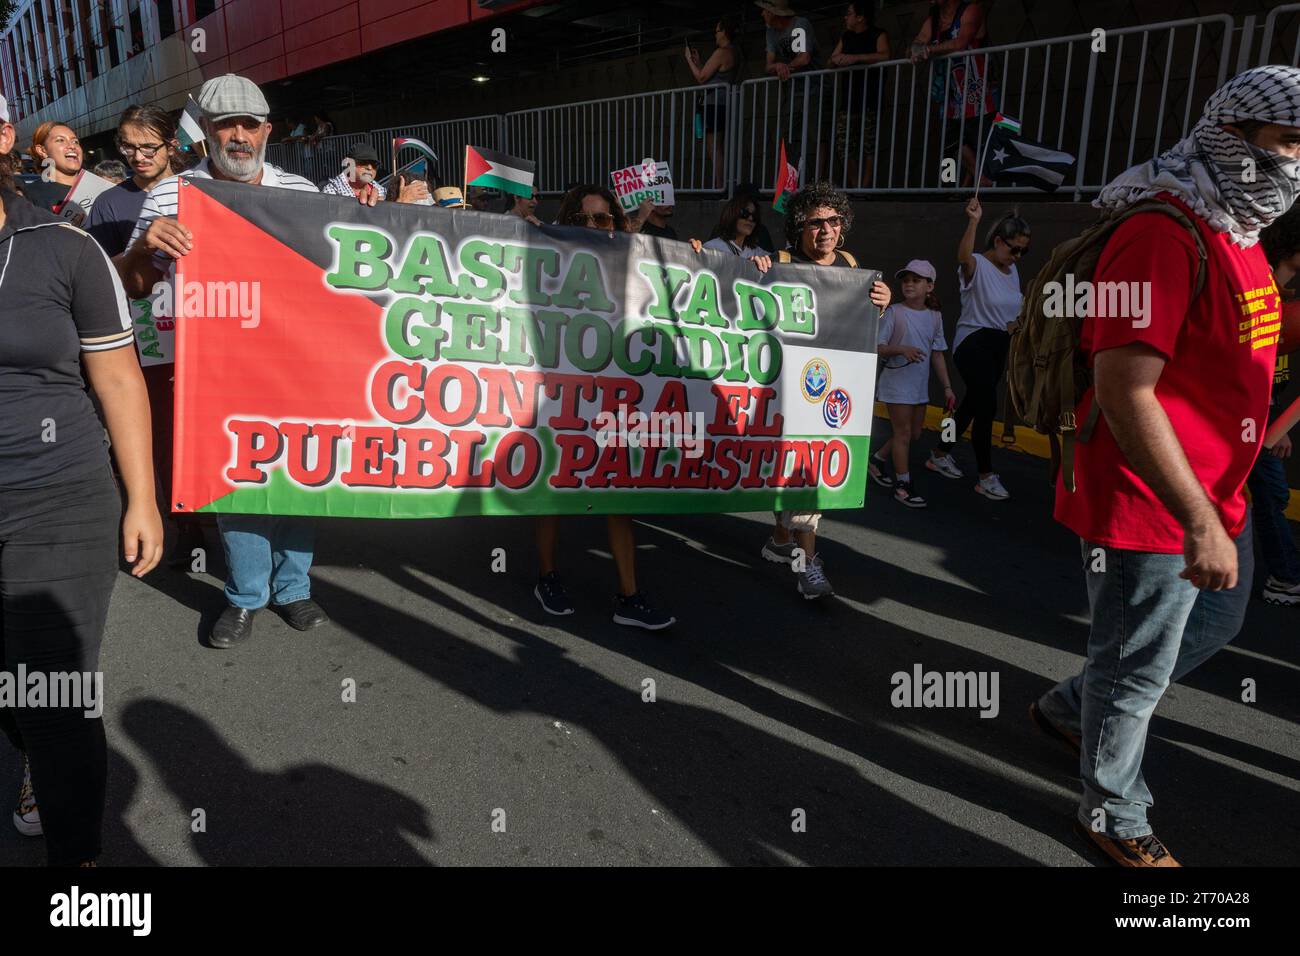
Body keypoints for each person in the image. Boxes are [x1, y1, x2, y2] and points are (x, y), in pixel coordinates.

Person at [1030, 65, 1300, 867]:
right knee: (1138, 662)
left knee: (1214, 623)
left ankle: (1077, 707)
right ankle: (1113, 809)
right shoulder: (1161, 230)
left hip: (1218, 490)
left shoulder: (1237, 230)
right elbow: (1124, 387)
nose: (1296, 163)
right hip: (1153, 499)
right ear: (1236, 135)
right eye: (1290, 141)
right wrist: (1196, 519)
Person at [116, 74, 374, 650]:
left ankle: (294, 586)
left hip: (298, 368)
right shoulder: (170, 195)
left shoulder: (301, 193)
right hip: (216, 375)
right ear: (204, 132)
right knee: (237, 485)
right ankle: (245, 595)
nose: (238, 136)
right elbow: (134, 286)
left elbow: (343, 276)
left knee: (300, 480)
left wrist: (378, 221)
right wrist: (144, 248)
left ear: (267, 130)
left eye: (248, 124)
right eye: (224, 125)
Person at [0, 171, 163, 864]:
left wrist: (144, 499)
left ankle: (79, 876)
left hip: (58, 497)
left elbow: (119, 377)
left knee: (54, 696)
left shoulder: (63, 247)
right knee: (15, 692)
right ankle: (30, 742)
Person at [532, 184, 675, 630]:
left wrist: (695, 254)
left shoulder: (632, 257)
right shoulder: (549, 257)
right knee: (553, 489)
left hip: (615, 394)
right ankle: (546, 577)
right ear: (570, 222)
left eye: (603, 219)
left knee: (617, 492)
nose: (595, 226)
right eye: (586, 219)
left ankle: (629, 596)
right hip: (563, 393)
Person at [756, 182, 891, 598]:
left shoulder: (851, 265)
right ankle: (796, 553)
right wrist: (751, 273)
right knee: (791, 473)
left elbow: (857, 323)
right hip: (782, 391)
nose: (826, 230)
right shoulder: (777, 262)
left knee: (807, 475)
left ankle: (796, 553)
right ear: (799, 228)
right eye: (815, 223)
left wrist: (881, 303)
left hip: (829, 395)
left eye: (833, 221)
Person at [86, 105, 201, 567]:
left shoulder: (200, 190)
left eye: (148, 146)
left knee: (197, 433)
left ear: (171, 144)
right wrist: (140, 248)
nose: (137, 156)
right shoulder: (110, 204)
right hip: (143, 339)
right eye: (128, 147)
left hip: (202, 333)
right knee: (155, 436)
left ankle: (208, 520)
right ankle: (175, 528)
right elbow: (98, 277)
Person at [928, 199, 1027, 499]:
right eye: (1014, 249)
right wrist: (973, 221)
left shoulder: (1013, 273)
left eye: (1024, 251)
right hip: (973, 342)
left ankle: (939, 452)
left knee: (972, 405)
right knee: (986, 407)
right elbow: (963, 257)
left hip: (999, 343)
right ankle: (985, 475)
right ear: (998, 241)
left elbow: (1012, 312)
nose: (1017, 256)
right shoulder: (977, 265)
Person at [869, 259, 953, 508]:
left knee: (913, 433)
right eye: (906, 280)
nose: (909, 284)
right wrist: (901, 349)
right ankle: (903, 485)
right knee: (903, 433)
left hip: (918, 387)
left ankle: (877, 460)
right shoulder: (894, 312)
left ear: (930, 286)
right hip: (896, 384)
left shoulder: (935, 317)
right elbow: (879, 347)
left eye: (916, 280)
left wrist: (948, 387)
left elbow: (937, 353)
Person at [1250, 205, 1300, 604]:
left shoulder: (1289, 298)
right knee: (1269, 496)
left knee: (1270, 496)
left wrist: (1277, 426)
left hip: (1263, 412)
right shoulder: (1257, 288)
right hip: (1241, 412)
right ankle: (1284, 577)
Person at [910, 1, 996, 188]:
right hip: (949, 94)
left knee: (979, 141)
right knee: (949, 144)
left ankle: (979, 184)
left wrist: (929, 49)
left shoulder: (970, 9)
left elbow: (961, 42)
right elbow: (915, 45)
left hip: (977, 92)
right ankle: (949, 186)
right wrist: (918, 48)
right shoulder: (934, 19)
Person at [828, 2, 891, 188]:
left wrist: (856, 58)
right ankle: (855, 185)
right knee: (844, 144)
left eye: (849, 13)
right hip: (849, 99)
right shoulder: (846, 36)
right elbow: (831, 60)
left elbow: (885, 55)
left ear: (860, 17)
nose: (845, 17)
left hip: (871, 98)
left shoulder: (878, 34)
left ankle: (866, 185)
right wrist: (837, 60)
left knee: (869, 145)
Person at [685, 16, 740, 190]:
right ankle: (720, 185)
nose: (715, 35)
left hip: (714, 103)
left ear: (724, 32)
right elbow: (709, 76)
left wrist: (688, 59)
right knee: (715, 146)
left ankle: (719, 186)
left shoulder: (722, 52)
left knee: (714, 147)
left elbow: (701, 78)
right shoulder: (733, 51)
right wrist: (698, 63)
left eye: (717, 31)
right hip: (721, 102)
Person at [25, 121, 83, 211]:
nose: (72, 146)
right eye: (60, 140)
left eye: (75, 141)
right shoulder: (29, 196)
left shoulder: (99, 185)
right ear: (42, 151)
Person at [692, 194, 769, 258]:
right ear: (732, 214)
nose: (751, 218)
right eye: (745, 213)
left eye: (755, 216)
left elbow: (778, 259)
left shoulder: (756, 252)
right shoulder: (712, 247)